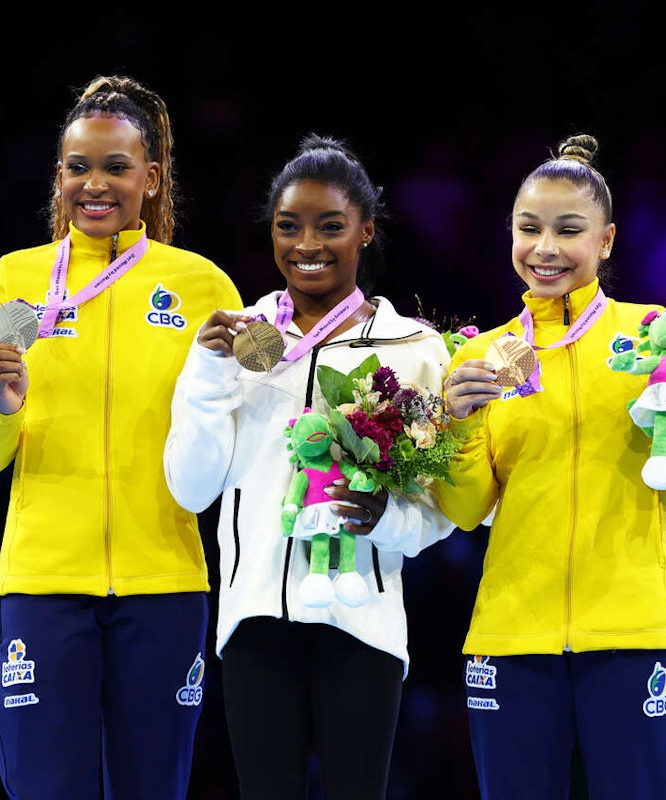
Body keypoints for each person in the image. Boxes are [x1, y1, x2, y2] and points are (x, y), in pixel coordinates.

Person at [434, 133, 666, 799]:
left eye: (568, 230)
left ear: (606, 241)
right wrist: (457, 426)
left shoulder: (659, 330)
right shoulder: (480, 356)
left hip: (632, 634)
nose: (545, 248)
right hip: (511, 639)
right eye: (529, 228)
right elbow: (464, 511)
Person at [0, 74, 242, 800]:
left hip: (165, 586)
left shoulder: (203, 286)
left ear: (151, 176)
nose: (96, 184)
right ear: (59, 176)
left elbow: (274, 380)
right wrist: (6, 407)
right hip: (44, 589)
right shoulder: (13, 289)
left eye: (116, 167)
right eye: (78, 167)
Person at [163, 133, 457, 800]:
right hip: (254, 623)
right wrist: (209, 373)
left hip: (364, 621)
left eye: (331, 226)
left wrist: (384, 522)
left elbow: (445, 507)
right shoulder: (235, 342)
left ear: (365, 231)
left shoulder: (417, 350)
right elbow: (190, 487)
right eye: (288, 227)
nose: (308, 245)